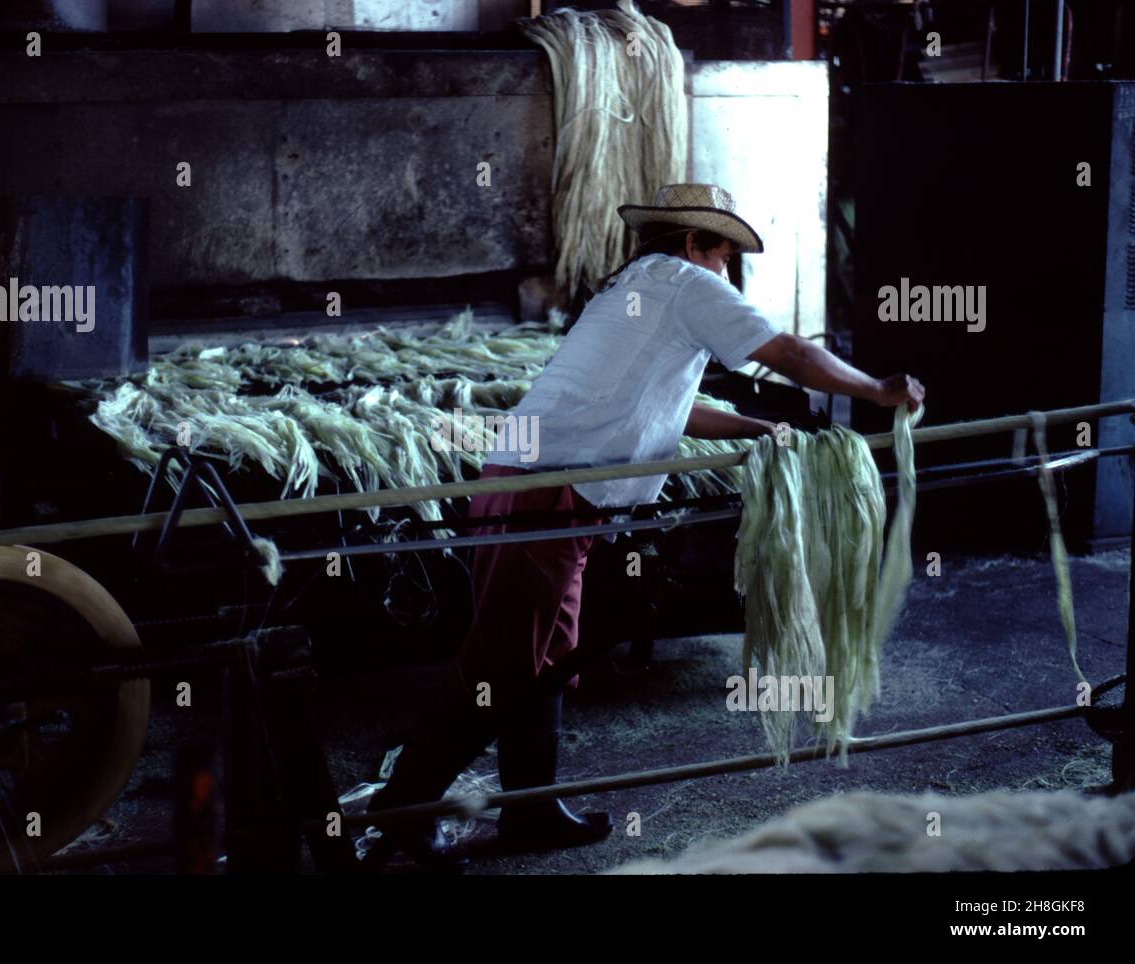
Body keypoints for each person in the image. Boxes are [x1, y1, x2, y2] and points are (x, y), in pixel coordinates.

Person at [365, 183, 925, 871]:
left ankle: (531, 809)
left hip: (556, 493)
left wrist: (763, 430)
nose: (727, 275)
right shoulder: (681, 280)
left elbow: (676, 410)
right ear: (695, 244)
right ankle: (403, 812)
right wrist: (875, 390)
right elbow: (787, 351)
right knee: (504, 664)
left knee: (543, 661)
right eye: (725, 257)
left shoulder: (641, 291)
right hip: (542, 492)